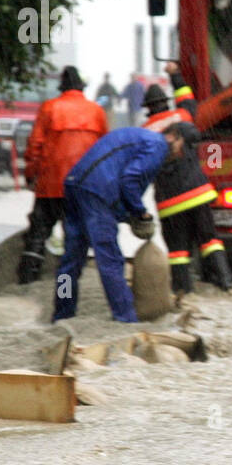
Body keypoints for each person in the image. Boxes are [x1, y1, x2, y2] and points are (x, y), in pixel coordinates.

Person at [52, 126, 181, 323]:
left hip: (74, 183)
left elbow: (118, 175)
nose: (180, 155)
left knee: (70, 262)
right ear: (174, 137)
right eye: (183, 148)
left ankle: (62, 314)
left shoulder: (141, 137)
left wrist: (128, 215)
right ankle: (125, 316)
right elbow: (129, 179)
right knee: (111, 259)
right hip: (97, 191)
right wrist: (140, 212)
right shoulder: (158, 145)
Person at [142, 64, 231, 294]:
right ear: (166, 102)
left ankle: (183, 292)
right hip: (197, 194)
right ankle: (225, 282)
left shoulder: (144, 133)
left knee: (178, 252)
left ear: (148, 109)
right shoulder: (182, 116)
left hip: (170, 203)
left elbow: (140, 171)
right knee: (209, 241)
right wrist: (175, 75)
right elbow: (189, 101)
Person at [17, 66, 108, 283]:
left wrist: (31, 175)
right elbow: (105, 150)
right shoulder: (96, 112)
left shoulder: (49, 108)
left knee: (38, 232)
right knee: (75, 235)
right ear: (82, 88)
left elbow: (35, 146)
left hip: (50, 184)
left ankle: (27, 280)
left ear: (62, 87)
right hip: (83, 187)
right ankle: (69, 283)